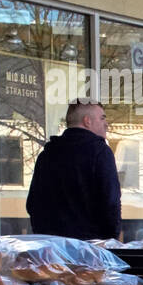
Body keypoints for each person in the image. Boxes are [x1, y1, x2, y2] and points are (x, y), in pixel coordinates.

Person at [26, 99, 122, 241]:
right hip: (91, 249)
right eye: (102, 118)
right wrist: (111, 238)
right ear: (87, 121)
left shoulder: (47, 154)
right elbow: (110, 201)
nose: (106, 124)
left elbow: (33, 204)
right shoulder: (100, 152)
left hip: (52, 248)